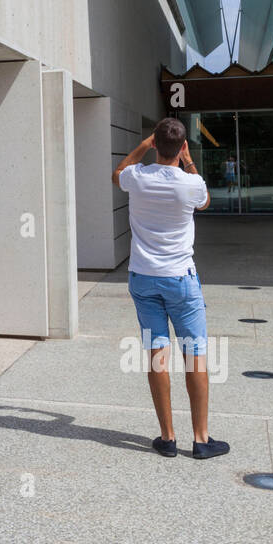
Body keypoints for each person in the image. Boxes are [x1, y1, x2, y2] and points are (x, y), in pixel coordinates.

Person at [112, 118, 228, 461]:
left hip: (143, 278)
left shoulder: (138, 176)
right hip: (180, 279)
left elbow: (118, 172)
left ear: (154, 144)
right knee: (195, 354)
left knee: (156, 354)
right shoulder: (190, 183)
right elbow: (205, 201)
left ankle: (167, 437)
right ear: (181, 148)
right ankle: (201, 439)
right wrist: (188, 159)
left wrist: (144, 146)